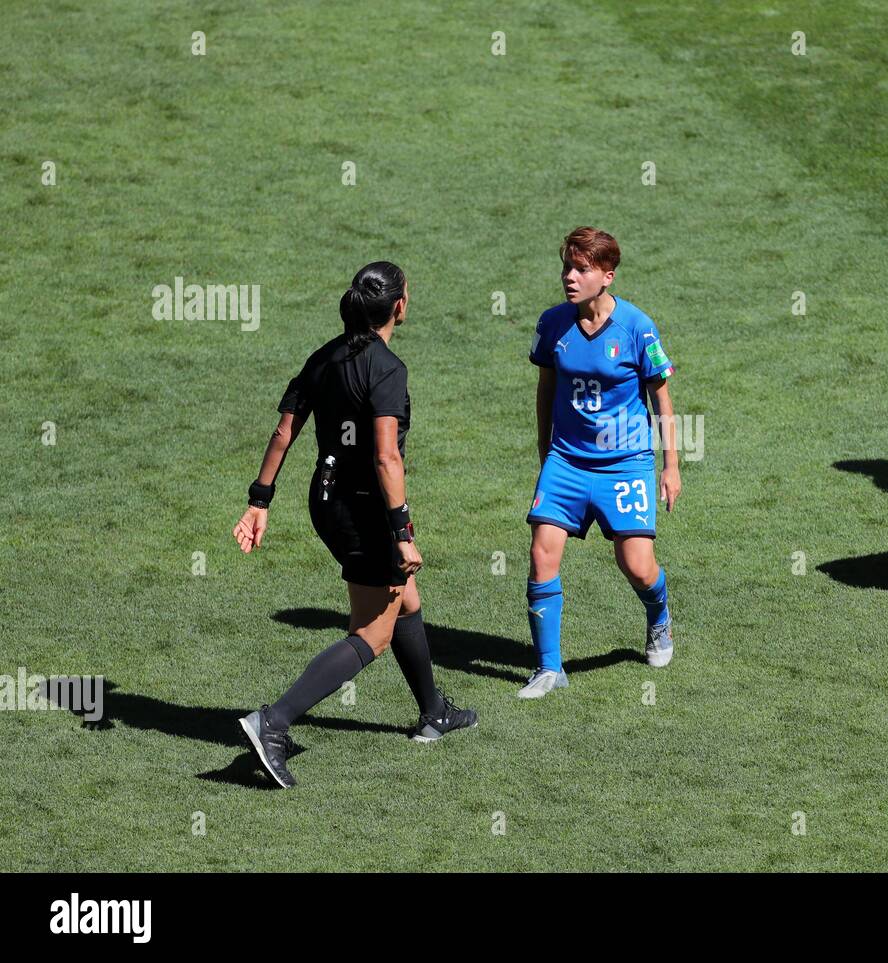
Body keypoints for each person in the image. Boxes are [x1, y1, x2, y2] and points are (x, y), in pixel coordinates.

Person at [232, 261, 476, 788]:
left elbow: (283, 433)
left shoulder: (321, 358)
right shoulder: (387, 368)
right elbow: (387, 458)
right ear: (399, 308)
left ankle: (434, 711)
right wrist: (403, 532)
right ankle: (271, 723)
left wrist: (259, 501)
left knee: (403, 598)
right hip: (366, 508)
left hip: (325, 497)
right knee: (372, 631)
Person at [520, 227, 681, 697]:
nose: (569, 277)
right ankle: (549, 668)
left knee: (636, 565)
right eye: (567, 266)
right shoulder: (553, 324)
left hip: (625, 464)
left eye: (581, 269)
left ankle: (659, 617)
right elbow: (546, 388)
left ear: (606, 276)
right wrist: (544, 449)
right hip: (566, 461)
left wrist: (671, 466)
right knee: (541, 551)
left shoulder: (637, 327)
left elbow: (663, 400)